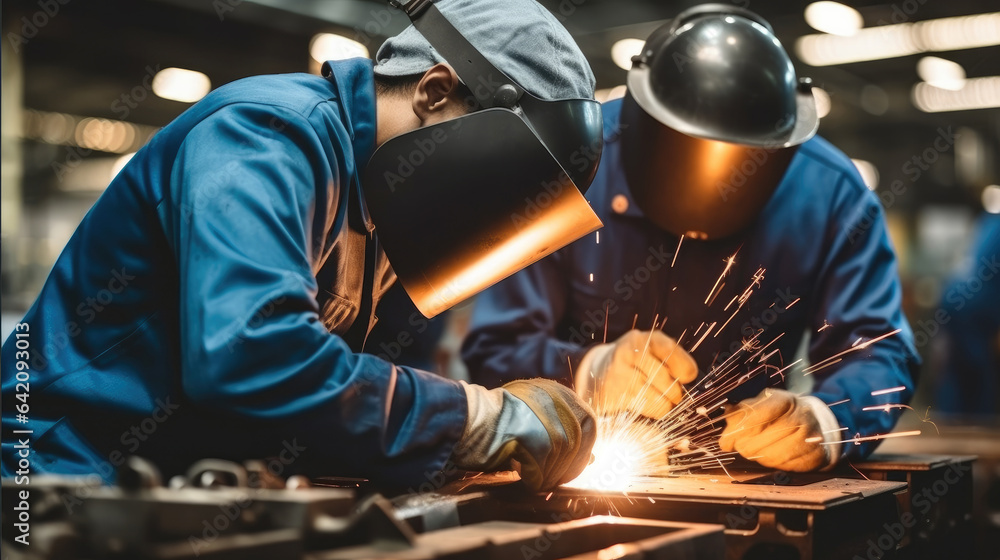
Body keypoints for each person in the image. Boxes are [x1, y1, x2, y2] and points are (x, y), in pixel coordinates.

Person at [1, 0, 604, 492]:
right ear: (435, 91)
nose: (484, 214)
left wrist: (471, 434)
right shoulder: (265, 137)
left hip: (188, 485)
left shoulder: (386, 209)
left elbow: (357, 388)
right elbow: (247, 351)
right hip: (60, 474)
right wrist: (474, 419)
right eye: (495, 183)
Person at [462, 4, 920, 472]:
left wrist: (826, 421)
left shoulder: (830, 195)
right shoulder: (571, 163)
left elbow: (879, 351)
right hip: (575, 467)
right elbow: (495, 348)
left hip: (744, 474)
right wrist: (588, 371)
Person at [935, 213, 1000, 417]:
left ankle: (951, 429)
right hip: (978, 305)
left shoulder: (990, 222)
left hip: (954, 297)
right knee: (979, 377)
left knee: (959, 375)